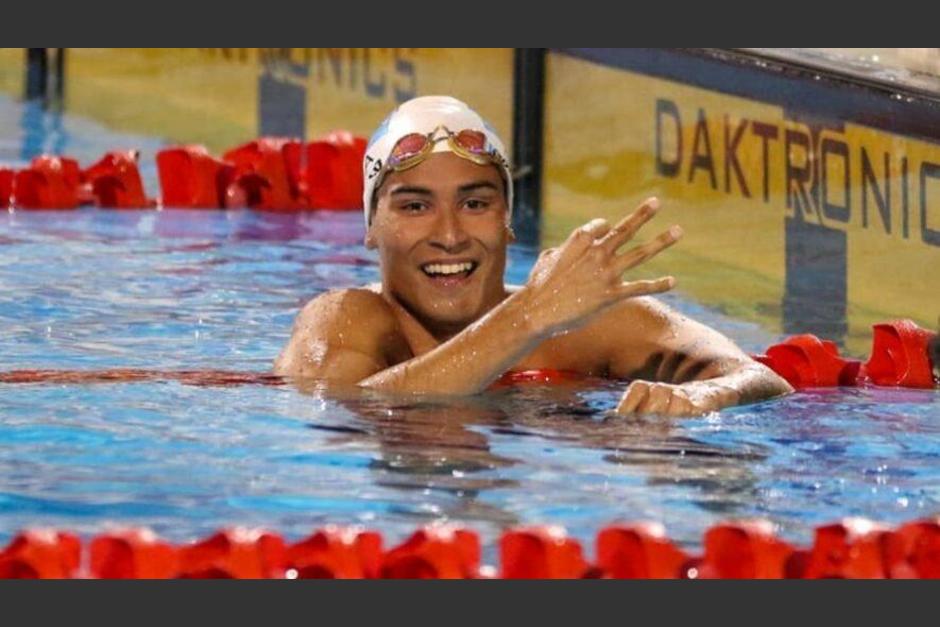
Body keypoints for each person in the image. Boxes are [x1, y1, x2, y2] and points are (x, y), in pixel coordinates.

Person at [274, 96, 793, 415]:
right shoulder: (345, 319)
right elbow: (341, 412)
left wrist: (701, 398)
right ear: (371, 227)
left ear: (507, 219)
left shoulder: (583, 324)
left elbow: (760, 378)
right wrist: (530, 318)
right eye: (415, 206)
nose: (450, 235)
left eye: (475, 203)